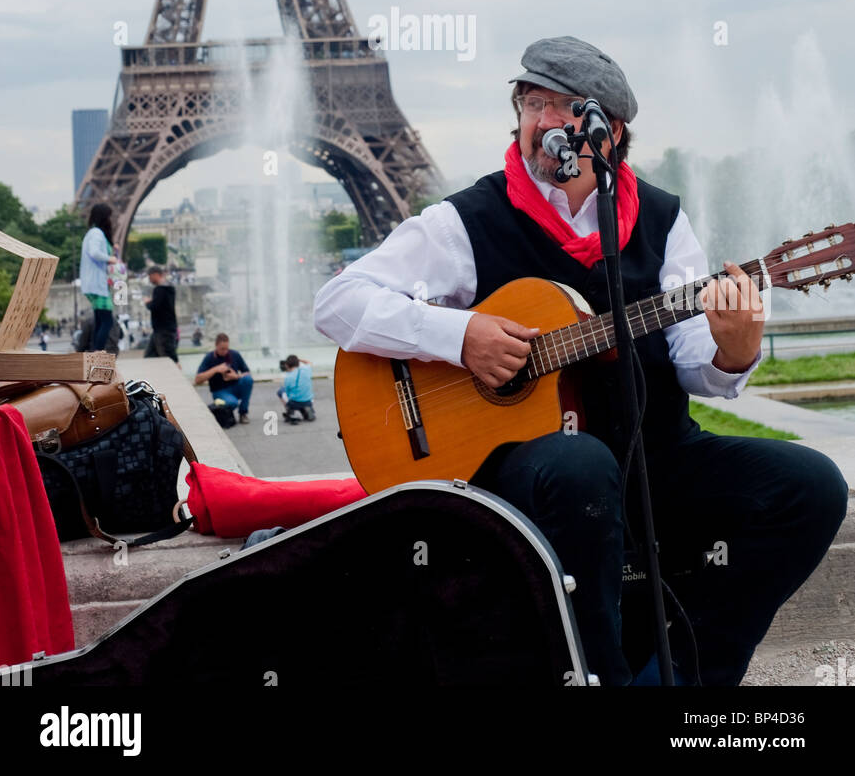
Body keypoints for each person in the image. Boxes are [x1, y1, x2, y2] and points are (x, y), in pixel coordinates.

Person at [314, 34, 849, 687]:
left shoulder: (661, 220)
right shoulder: (465, 221)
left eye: (562, 106)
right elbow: (337, 302)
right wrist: (458, 336)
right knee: (578, 463)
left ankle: (683, 678)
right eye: (530, 102)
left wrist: (734, 346)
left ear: (609, 130)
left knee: (810, 484)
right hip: (521, 471)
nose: (540, 121)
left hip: (650, 458)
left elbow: (694, 366)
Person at [78, 203, 116, 351]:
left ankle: (95, 354)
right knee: (107, 321)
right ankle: (98, 353)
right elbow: (94, 252)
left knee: (100, 321)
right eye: (108, 217)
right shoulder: (96, 233)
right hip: (96, 285)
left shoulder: (91, 233)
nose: (110, 220)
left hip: (91, 284)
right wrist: (110, 259)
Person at [194, 333, 253, 424]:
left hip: (235, 386)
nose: (225, 351)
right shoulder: (209, 358)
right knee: (232, 403)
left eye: (226, 348)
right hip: (220, 390)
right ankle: (220, 408)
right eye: (222, 349)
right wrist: (216, 369)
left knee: (248, 380)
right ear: (216, 346)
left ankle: (243, 413)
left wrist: (236, 376)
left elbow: (247, 372)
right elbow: (197, 380)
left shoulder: (234, 354)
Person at [143, 267, 178, 362]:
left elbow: (155, 307)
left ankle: (176, 376)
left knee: (168, 358)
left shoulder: (159, 289)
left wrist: (147, 302)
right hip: (162, 329)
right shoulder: (169, 288)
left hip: (163, 329)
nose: (149, 280)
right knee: (149, 357)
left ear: (156, 275)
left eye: (150, 277)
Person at [278, 355, 315, 423]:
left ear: (287, 365)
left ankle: (292, 412)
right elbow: (309, 362)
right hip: (309, 401)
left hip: (295, 403)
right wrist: (299, 360)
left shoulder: (288, 377)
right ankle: (307, 409)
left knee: (280, 391)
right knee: (305, 392)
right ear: (298, 363)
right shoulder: (307, 369)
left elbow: (288, 393)